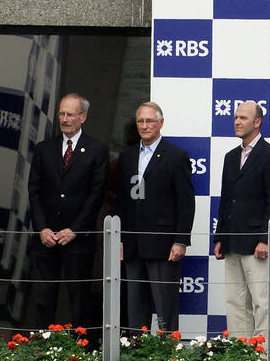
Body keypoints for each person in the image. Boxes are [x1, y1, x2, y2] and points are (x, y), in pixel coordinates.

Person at [27, 93, 110, 329]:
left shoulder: (96, 150)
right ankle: (41, 345)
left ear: (82, 117)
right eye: (61, 113)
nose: (64, 119)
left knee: (79, 299)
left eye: (70, 114)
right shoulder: (45, 148)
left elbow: (97, 195)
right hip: (47, 238)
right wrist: (42, 227)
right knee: (43, 297)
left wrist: (75, 229)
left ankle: (80, 351)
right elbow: (35, 191)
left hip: (78, 239)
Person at [118, 102, 194, 333]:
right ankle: (135, 355)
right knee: (135, 307)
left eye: (149, 121)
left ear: (160, 123)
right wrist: (120, 239)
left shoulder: (176, 156)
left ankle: (167, 358)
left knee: (165, 307)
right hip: (132, 245)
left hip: (163, 245)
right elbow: (123, 200)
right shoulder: (127, 156)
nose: (144, 125)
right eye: (140, 121)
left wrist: (180, 240)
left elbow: (186, 201)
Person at [214, 101, 270, 339]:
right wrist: (220, 237)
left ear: (257, 122)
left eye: (243, 118)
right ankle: (241, 355)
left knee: (261, 302)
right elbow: (226, 200)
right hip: (232, 240)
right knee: (234, 301)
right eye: (235, 117)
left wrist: (265, 239)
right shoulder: (230, 156)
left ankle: (264, 357)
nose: (236, 121)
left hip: (257, 243)